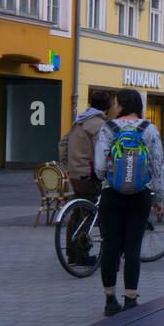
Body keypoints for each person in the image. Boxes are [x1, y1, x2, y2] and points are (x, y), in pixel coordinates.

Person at [92, 89, 164, 317]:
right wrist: (159, 199)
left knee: (110, 247)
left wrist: (109, 179)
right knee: (133, 248)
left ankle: (110, 300)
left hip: (111, 195)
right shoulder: (149, 129)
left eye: (115, 103)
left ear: (122, 104)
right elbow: (158, 166)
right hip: (139, 196)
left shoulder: (108, 128)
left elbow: (99, 166)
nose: (113, 106)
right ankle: (131, 299)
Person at [58, 90, 112, 266]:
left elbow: (63, 144)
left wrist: (67, 165)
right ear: (107, 106)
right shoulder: (100, 125)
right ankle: (82, 254)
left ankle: (72, 254)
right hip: (89, 174)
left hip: (75, 173)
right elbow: (103, 150)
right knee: (90, 214)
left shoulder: (79, 121)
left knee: (78, 212)